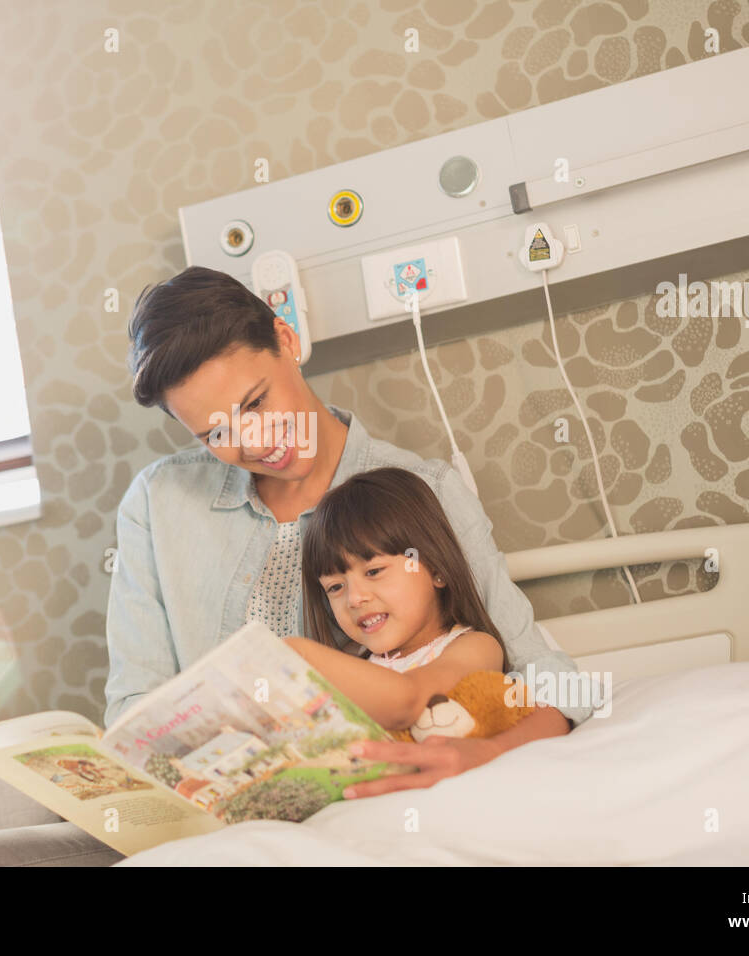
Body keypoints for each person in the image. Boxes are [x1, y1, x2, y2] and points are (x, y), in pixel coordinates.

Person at [107, 265, 590, 798]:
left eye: (257, 402)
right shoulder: (157, 502)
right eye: (216, 432)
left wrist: (488, 753)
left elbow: (548, 678)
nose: (256, 440)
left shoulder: (423, 491)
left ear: (286, 339)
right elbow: (135, 707)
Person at [280, 466, 516, 736]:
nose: (355, 599)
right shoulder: (359, 663)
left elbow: (410, 701)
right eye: (335, 587)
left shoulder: (475, 647)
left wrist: (303, 655)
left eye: (374, 572)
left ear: (436, 570)